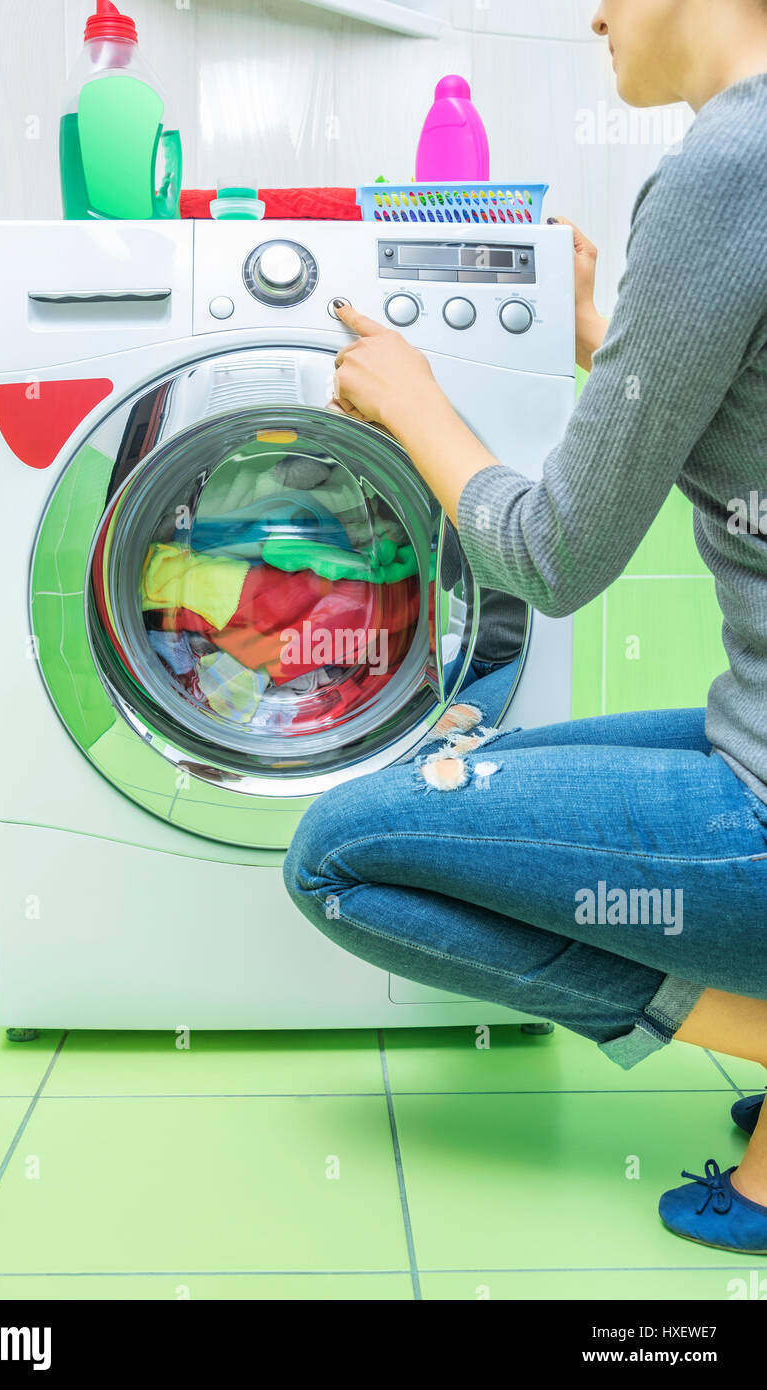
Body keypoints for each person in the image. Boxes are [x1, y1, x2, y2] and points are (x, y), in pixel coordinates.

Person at [284, 0, 767, 1254]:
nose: (595, 14)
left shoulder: (729, 162)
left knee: (338, 852)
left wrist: (413, 399)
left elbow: (549, 555)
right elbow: (738, 434)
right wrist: (606, 336)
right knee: (476, 765)